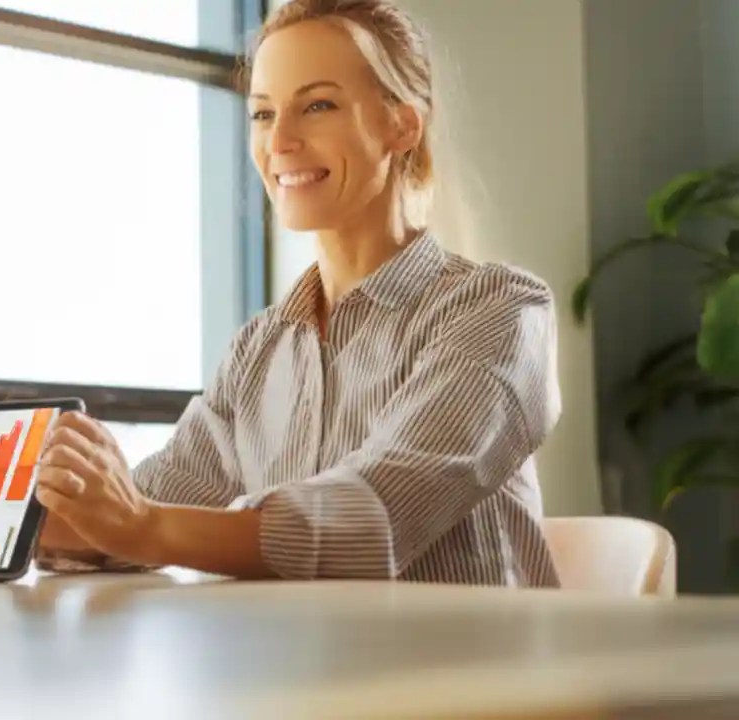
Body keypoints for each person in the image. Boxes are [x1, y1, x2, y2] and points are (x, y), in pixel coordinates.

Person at [33, 0, 562, 586]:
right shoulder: (257, 351)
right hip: (304, 670)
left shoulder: (499, 310)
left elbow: (374, 517)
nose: (279, 140)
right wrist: (41, 513)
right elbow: (152, 505)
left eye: (318, 105)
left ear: (402, 124)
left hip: (472, 675)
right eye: (262, 114)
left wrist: (141, 524)